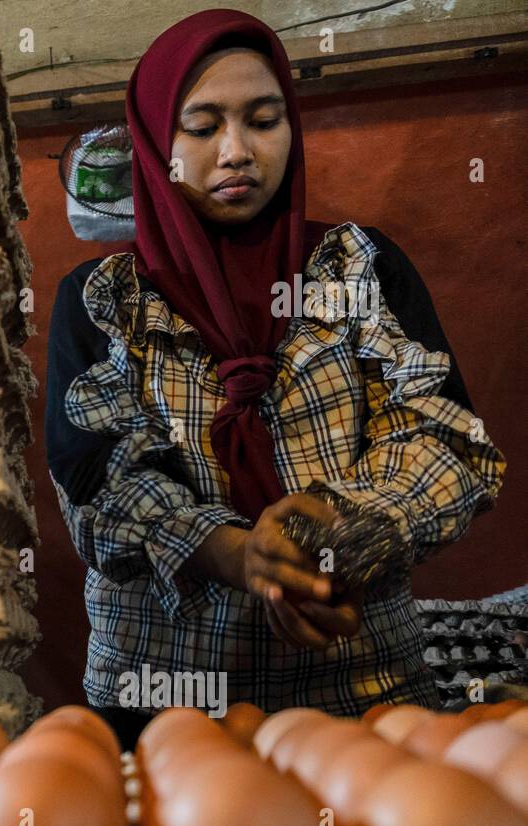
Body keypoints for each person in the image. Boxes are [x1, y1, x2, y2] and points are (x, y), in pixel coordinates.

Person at [44, 8, 506, 750]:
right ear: (157, 143)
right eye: (201, 127)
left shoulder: (355, 266)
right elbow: (96, 477)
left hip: (360, 693)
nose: (237, 152)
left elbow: (446, 438)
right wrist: (233, 553)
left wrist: (337, 542)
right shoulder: (105, 298)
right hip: (164, 706)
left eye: (264, 120)